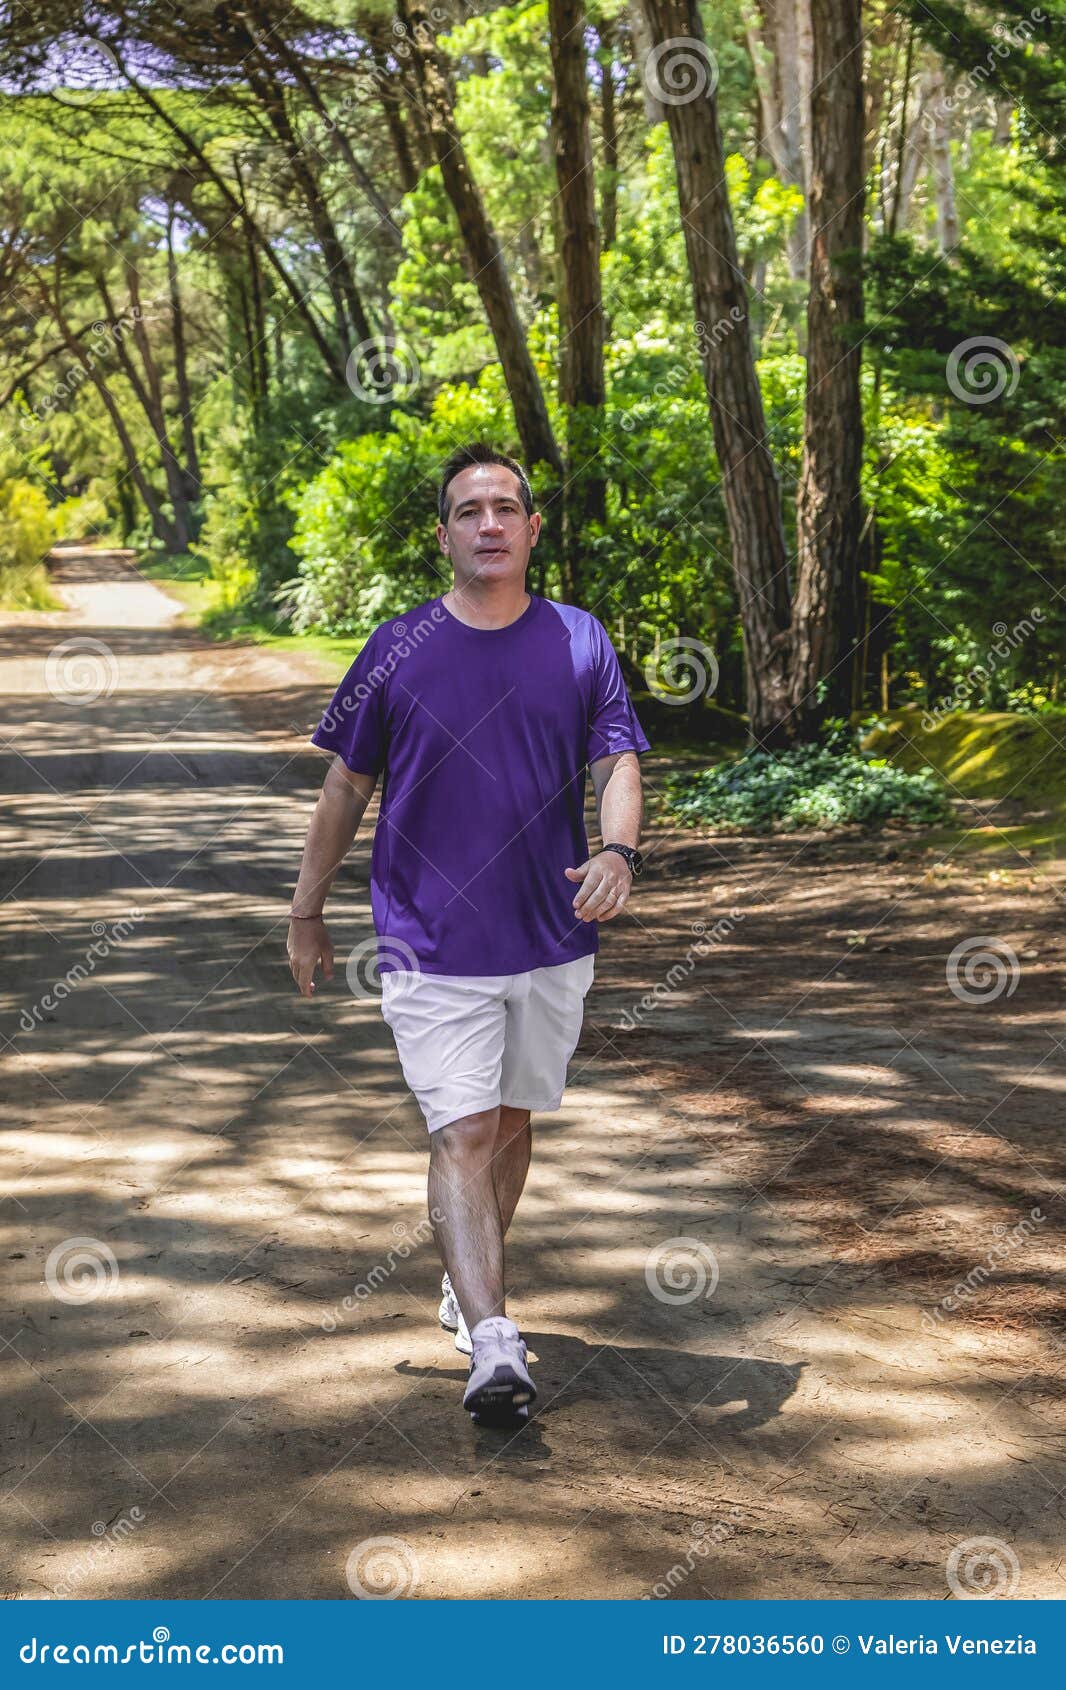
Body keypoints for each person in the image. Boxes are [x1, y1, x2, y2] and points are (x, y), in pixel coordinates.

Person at [287, 442, 650, 1424]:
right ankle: (496, 1340)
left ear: (532, 529)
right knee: (465, 1126)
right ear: (442, 535)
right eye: (467, 510)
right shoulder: (396, 647)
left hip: (551, 933)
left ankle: (466, 1276)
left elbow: (616, 758)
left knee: (515, 1120)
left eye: (505, 507)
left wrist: (619, 851)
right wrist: (308, 908)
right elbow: (345, 785)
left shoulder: (579, 639)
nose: (488, 522)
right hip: (426, 939)